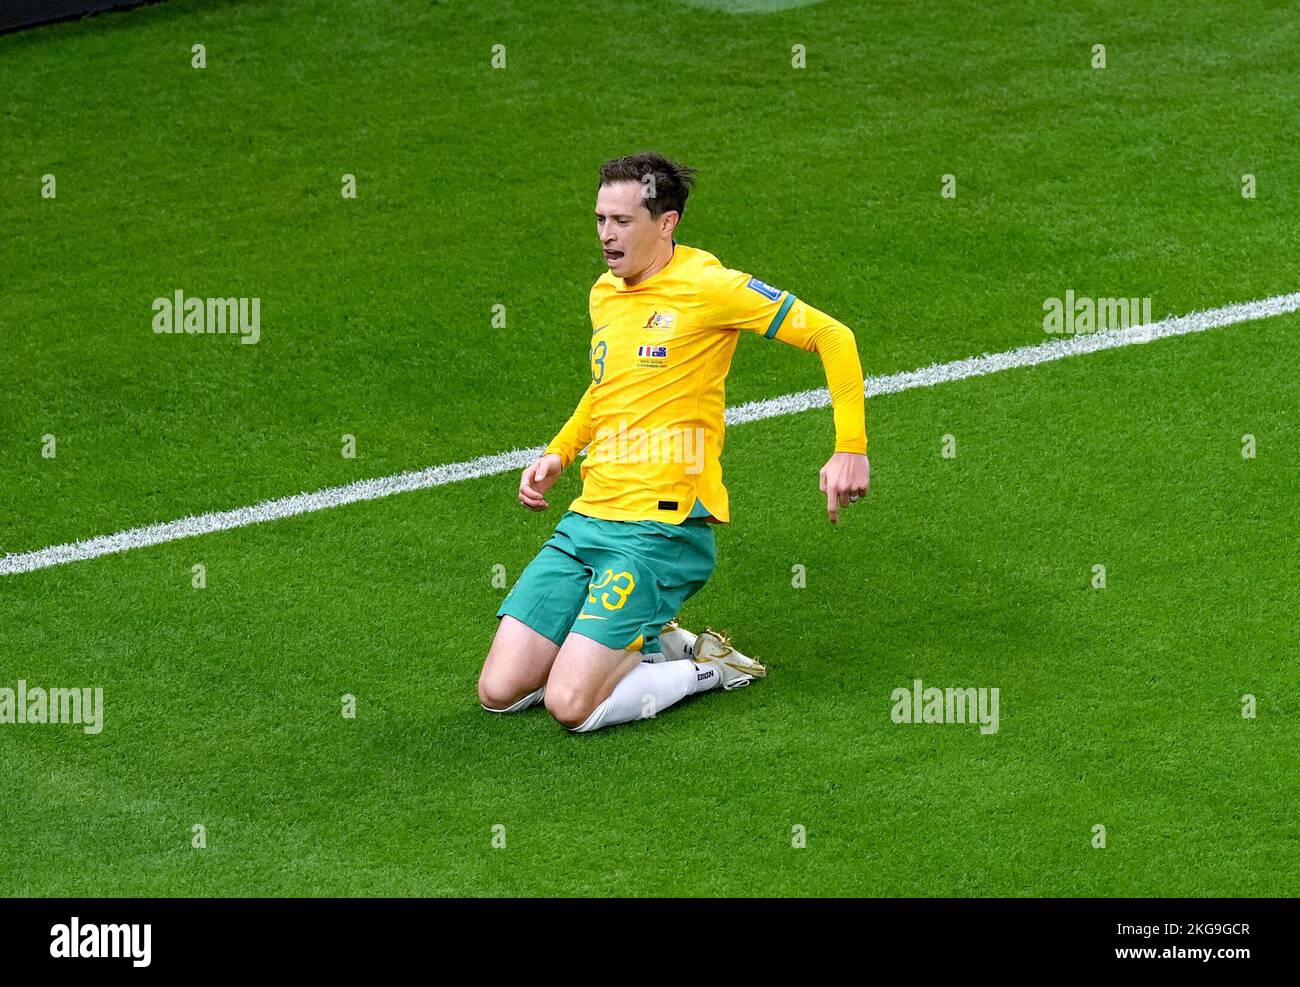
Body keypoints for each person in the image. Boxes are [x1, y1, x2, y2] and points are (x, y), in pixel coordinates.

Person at [477, 151, 869, 733]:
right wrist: (560, 451)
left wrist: (850, 447)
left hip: (660, 529)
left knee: (570, 705)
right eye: (600, 219)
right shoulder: (604, 294)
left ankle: (706, 667)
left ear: (666, 223)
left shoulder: (710, 287)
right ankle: (650, 636)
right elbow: (606, 387)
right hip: (590, 519)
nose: (607, 236)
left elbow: (832, 336)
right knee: (499, 691)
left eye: (623, 221)